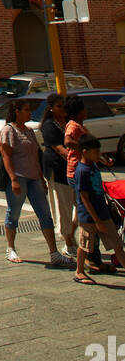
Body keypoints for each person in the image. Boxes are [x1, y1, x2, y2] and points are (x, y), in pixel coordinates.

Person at [0, 99, 68, 267]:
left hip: (34, 177)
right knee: (14, 213)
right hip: (18, 177)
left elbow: (36, 156)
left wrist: (41, 178)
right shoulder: (8, 130)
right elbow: (6, 156)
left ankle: (54, 252)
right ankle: (11, 248)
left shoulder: (29, 131)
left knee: (45, 214)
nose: (30, 113)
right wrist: (13, 179)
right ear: (17, 111)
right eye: (27, 110)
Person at [64, 96, 114, 274]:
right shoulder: (73, 125)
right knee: (88, 215)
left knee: (83, 215)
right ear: (79, 111)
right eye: (84, 108)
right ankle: (92, 259)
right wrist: (83, 146)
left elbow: (91, 149)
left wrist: (102, 158)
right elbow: (68, 141)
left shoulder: (79, 126)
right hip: (80, 172)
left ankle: (74, 239)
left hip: (86, 170)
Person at [74, 136, 125, 284]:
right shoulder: (82, 170)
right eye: (96, 152)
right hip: (89, 216)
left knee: (117, 244)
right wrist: (96, 220)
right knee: (85, 245)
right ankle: (79, 271)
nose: (98, 154)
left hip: (103, 212)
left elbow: (100, 160)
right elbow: (84, 197)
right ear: (85, 152)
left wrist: (102, 159)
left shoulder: (93, 165)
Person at [40, 93, 77, 257]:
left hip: (75, 170)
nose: (63, 109)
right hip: (58, 170)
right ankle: (68, 242)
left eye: (64, 106)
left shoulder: (70, 123)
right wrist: (78, 156)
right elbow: (60, 149)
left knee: (80, 206)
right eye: (59, 106)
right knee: (63, 207)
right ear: (52, 108)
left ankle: (71, 235)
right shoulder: (49, 126)